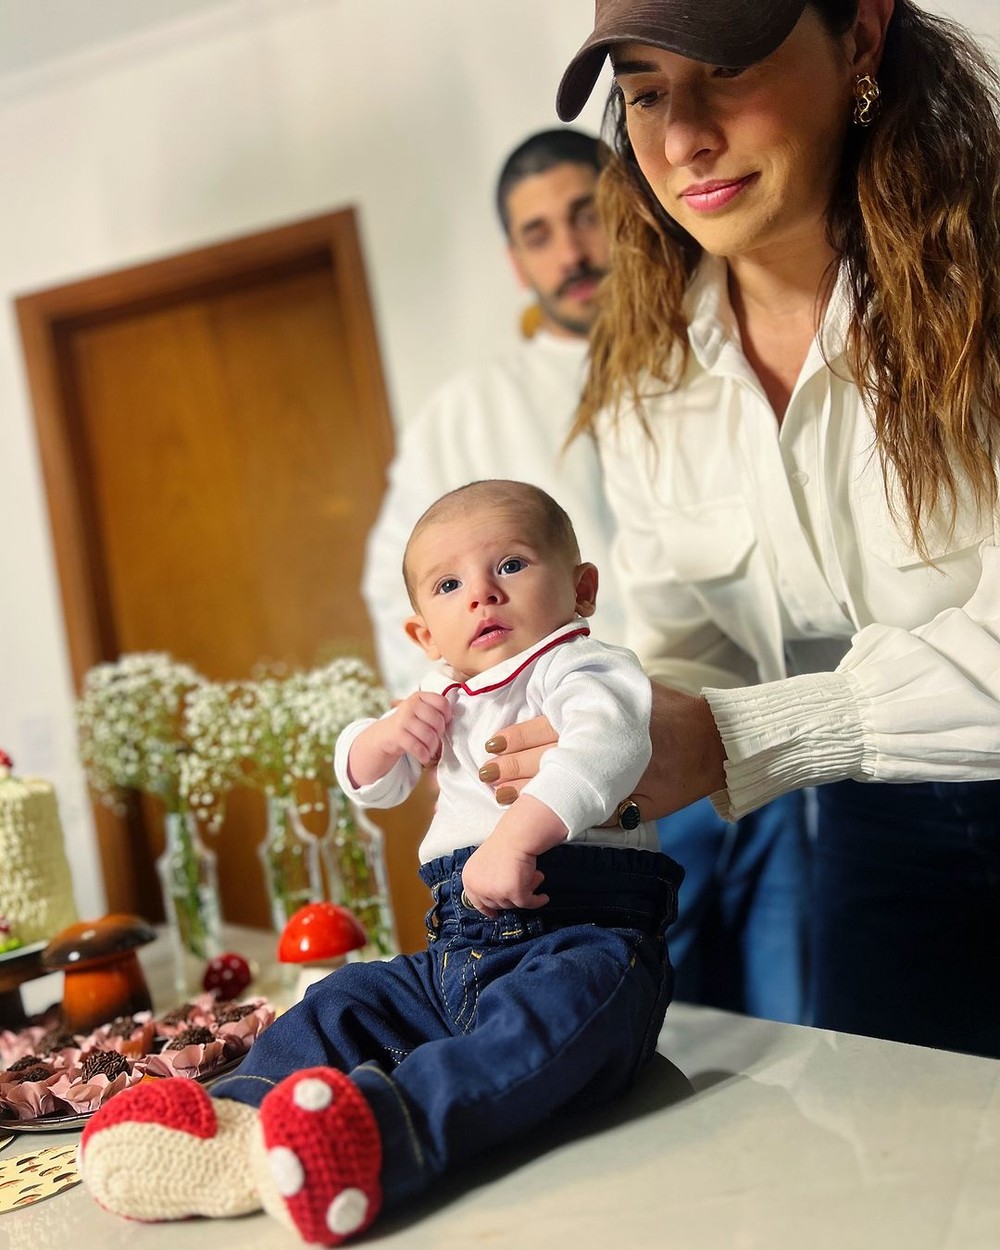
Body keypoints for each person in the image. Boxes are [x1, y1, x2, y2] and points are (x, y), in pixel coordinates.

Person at [484, 0, 1000, 1057]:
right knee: (902, 1164)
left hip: (854, 767)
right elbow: (695, 634)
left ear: (859, 36)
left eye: (727, 69)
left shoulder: (984, 287)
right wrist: (605, 727)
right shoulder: (649, 374)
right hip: (881, 819)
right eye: (644, 93)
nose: (682, 139)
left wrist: (729, 737)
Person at [78, 480, 684, 1247]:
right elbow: (374, 782)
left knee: (546, 1027)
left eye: (513, 564)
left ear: (582, 588)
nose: (483, 595)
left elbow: (610, 747)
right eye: (449, 584)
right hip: (456, 949)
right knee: (346, 998)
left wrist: (516, 837)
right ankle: (233, 1121)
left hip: (584, 936)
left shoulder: (580, 665)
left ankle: (376, 1135)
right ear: (423, 632)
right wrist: (386, 737)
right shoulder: (443, 690)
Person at [365, 125, 812, 1024]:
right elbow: (401, 593)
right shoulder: (465, 413)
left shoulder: (723, 354)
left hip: (740, 758)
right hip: (566, 799)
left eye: (586, 217)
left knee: (794, 1028)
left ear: (633, 210)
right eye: (539, 235)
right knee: (635, 1037)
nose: (570, 251)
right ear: (515, 260)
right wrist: (474, 721)